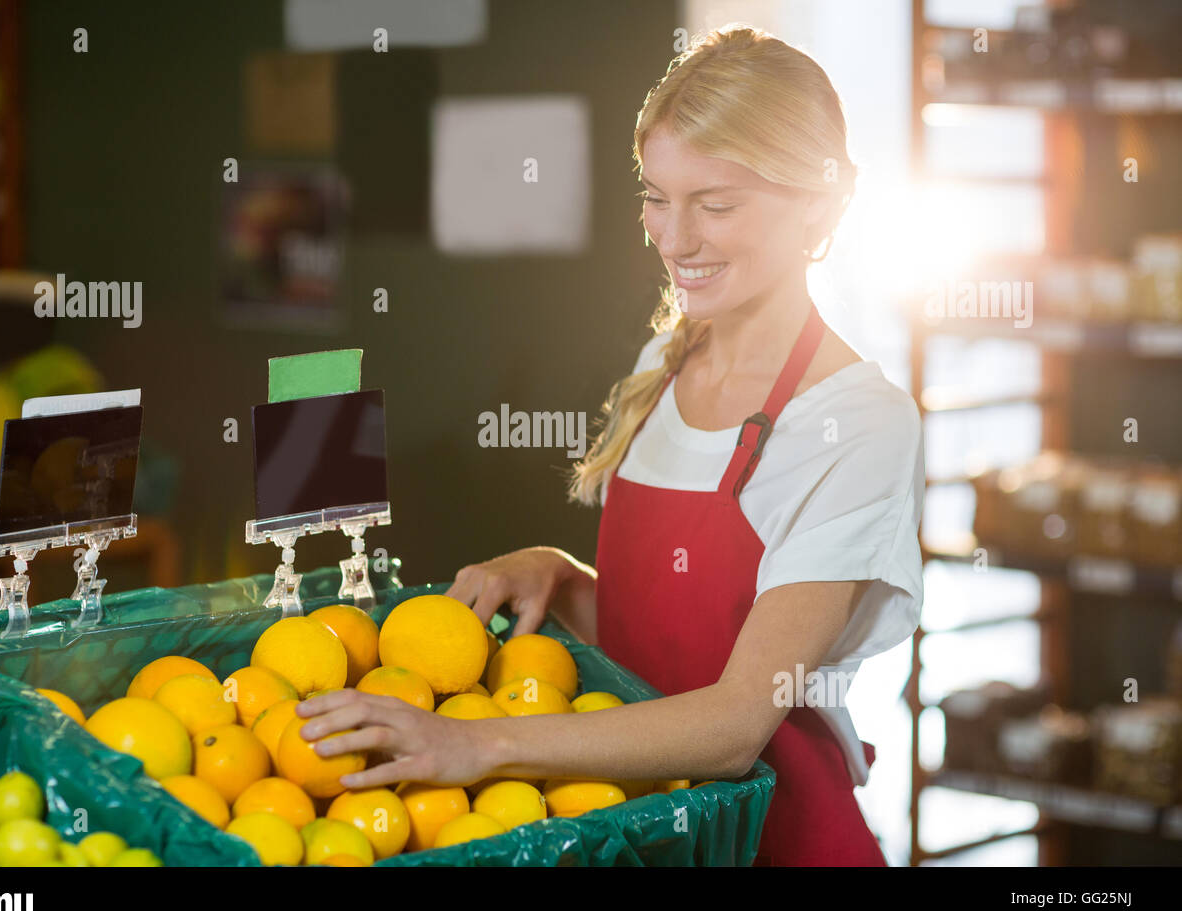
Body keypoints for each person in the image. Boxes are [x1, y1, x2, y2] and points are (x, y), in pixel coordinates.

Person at [296, 25, 924, 866]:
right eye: (658, 195)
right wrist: (561, 575)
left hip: (771, 841)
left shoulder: (857, 421)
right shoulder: (667, 360)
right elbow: (666, 634)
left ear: (821, 200)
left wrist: (472, 745)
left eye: (717, 203)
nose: (674, 237)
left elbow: (738, 722)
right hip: (636, 825)